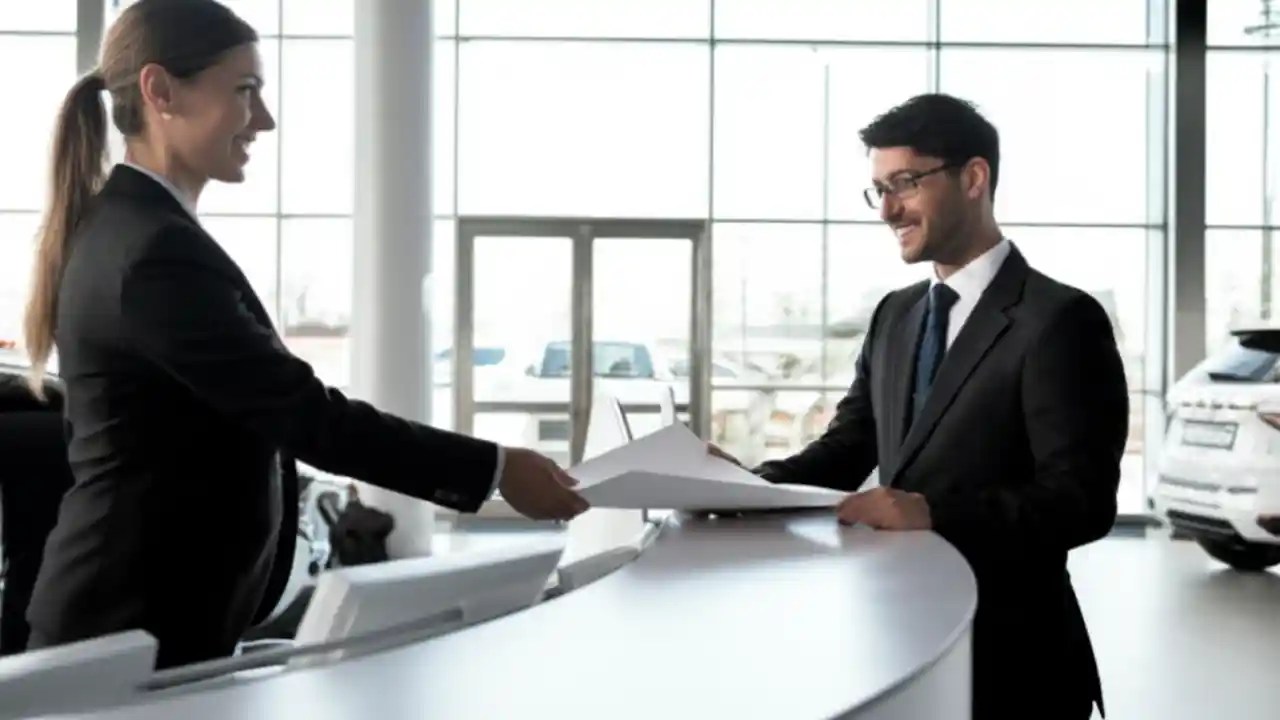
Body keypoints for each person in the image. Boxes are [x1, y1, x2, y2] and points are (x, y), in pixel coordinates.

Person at [22, 0, 587, 669]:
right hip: (126, 633)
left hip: (147, 624)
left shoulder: (138, 232)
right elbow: (304, 415)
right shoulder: (151, 253)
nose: (263, 119)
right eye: (244, 90)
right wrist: (495, 469)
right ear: (160, 91)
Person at [711, 94, 1128, 719]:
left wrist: (934, 513)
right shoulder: (896, 314)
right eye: (878, 190)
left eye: (904, 183)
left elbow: (1081, 501)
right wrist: (744, 488)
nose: (887, 210)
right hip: (901, 646)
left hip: (1015, 660)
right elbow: (847, 447)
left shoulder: (1059, 320)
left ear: (974, 178)